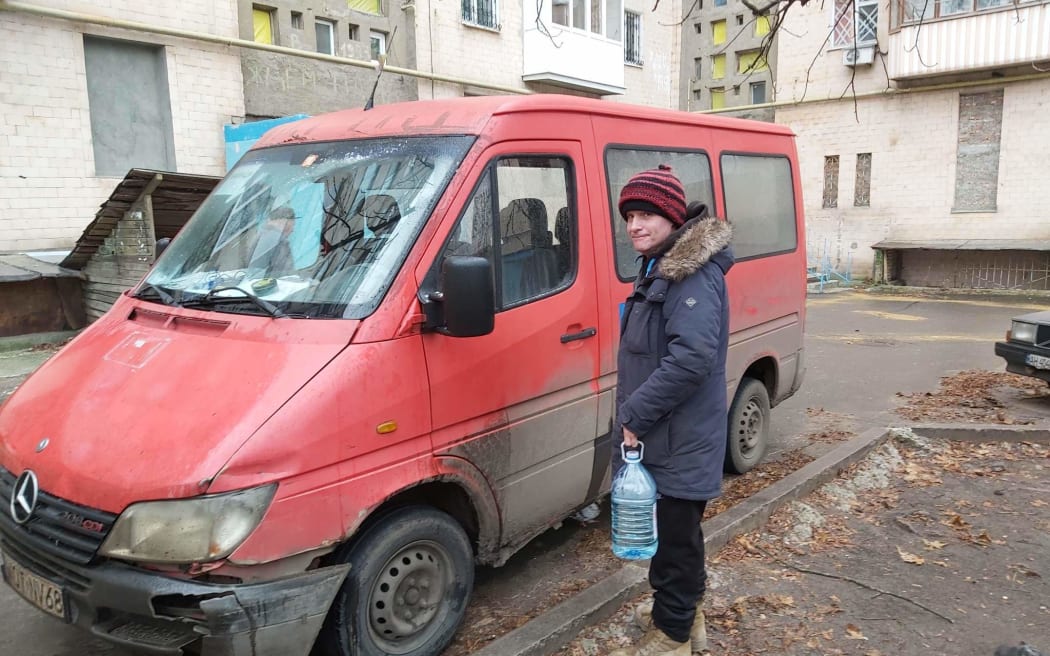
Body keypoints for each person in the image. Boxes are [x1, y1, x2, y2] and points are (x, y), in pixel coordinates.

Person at [609, 165, 734, 656]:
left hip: (675, 438)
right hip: (666, 434)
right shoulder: (660, 266)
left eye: (646, 215)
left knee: (675, 541)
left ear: (672, 217)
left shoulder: (690, 275)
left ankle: (673, 636)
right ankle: (683, 615)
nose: (635, 225)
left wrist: (634, 416)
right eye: (630, 216)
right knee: (674, 536)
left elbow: (691, 359)